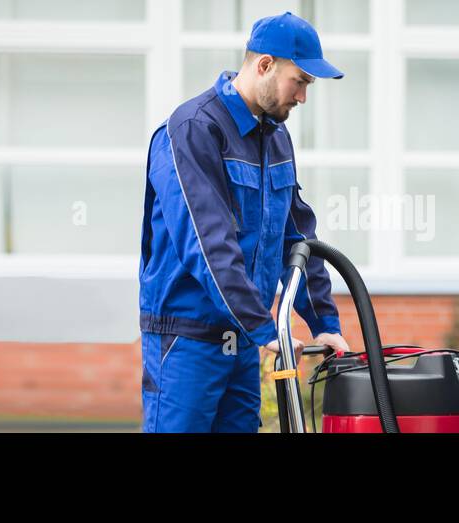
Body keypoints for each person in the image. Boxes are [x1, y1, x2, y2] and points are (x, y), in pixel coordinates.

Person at [138, 12, 351, 433]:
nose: (304, 96)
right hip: (188, 340)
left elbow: (298, 238)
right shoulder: (193, 129)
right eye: (301, 81)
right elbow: (206, 242)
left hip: (243, 343)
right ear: (265, 65)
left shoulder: (274, 136)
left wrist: (324, 324)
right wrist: (262, 325)